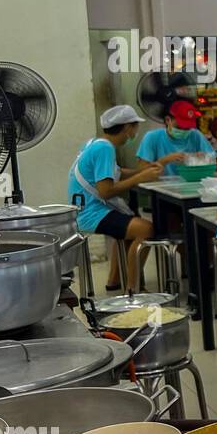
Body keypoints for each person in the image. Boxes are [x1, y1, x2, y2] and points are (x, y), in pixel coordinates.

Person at [67, 104, 162, 293]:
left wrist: (139, 171)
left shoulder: (94, 143)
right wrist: (139, 178)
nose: (136, 130)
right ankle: (134, 290)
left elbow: (114, 173)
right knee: (146, 229)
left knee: (130, 222)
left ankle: (114, 281)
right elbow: (106, 190)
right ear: (128, 128)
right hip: (92, 213)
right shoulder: (105, 148)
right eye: (135, 126)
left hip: (83, 209)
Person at [137, 99, 216, 178]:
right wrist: (165, 160)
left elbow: (212, 161)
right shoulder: (152, 137)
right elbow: (140, 171)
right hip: (160, 185)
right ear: (168, 120)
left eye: (188, 128)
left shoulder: (195, 135)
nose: (184, 131)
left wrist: (203, 159)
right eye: (180, 127)